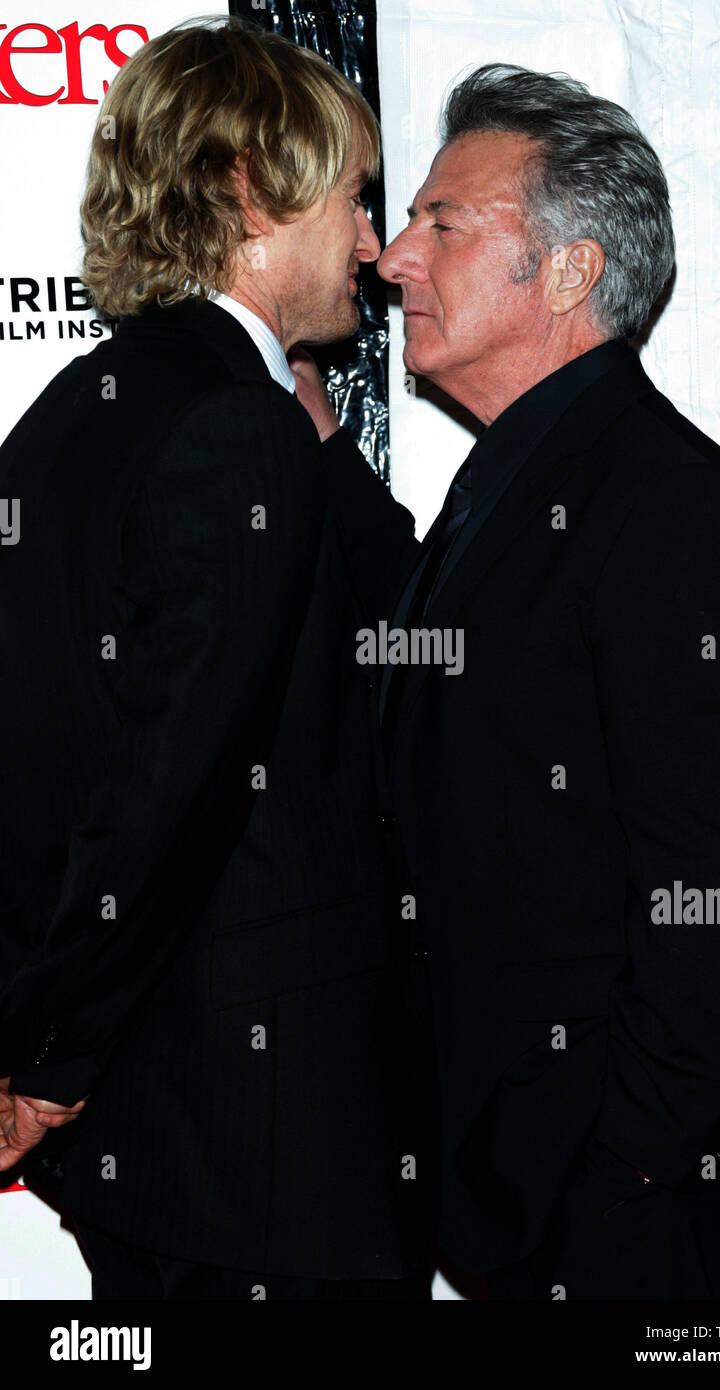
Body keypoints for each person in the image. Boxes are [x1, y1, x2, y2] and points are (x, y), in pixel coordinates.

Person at [297, 63, 720, 1299]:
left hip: (631, 1209)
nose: (394, 260)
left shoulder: (665, 504)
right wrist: (323, 457)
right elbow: (445, 654)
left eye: (442, 223)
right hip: (525, 1185)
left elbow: (711, 889)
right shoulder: (520, 481)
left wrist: (632, 1167)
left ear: (573, 271)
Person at [0, 17, 435, 1300]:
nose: (372, 244)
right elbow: (170, 784)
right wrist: (50, 1060)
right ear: (251, 190)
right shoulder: (233, 431)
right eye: (354, 198)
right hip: (260, 1143)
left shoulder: (71, 415)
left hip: (149, 1128)